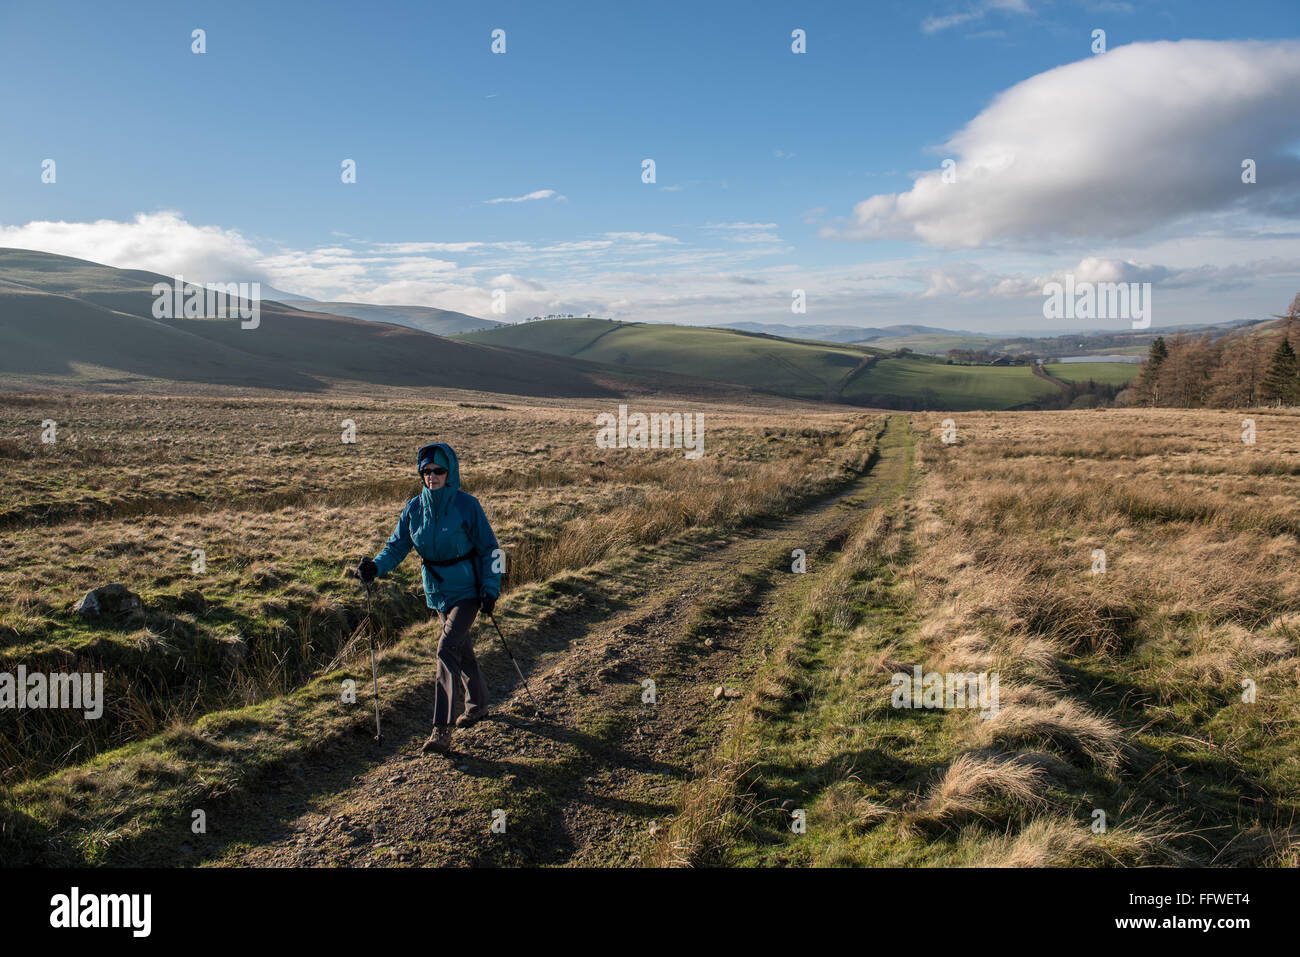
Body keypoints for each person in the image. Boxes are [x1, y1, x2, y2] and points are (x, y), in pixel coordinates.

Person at [357, 442, 501, 755]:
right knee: (460, 650)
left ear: (450, 472)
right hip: (438, 592)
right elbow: (396, 548)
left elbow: (492, 549)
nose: (432, 475)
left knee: (446, 649)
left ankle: (442, 729)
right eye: (426, 471)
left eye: (438, 470)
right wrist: (374, 568)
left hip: (468, 590)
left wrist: (491, 588)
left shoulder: (467, 505)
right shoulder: (413, 508)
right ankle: (478, 705)